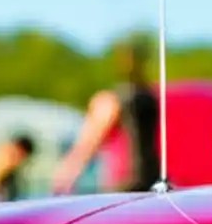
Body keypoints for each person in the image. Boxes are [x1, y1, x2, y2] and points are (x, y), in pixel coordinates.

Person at [53, 41, 160, 194]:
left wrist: (66, 176)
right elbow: (88, 142)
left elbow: (88, 143)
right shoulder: (138, 98)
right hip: (141, 178)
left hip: (131, 181)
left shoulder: (121, 99)